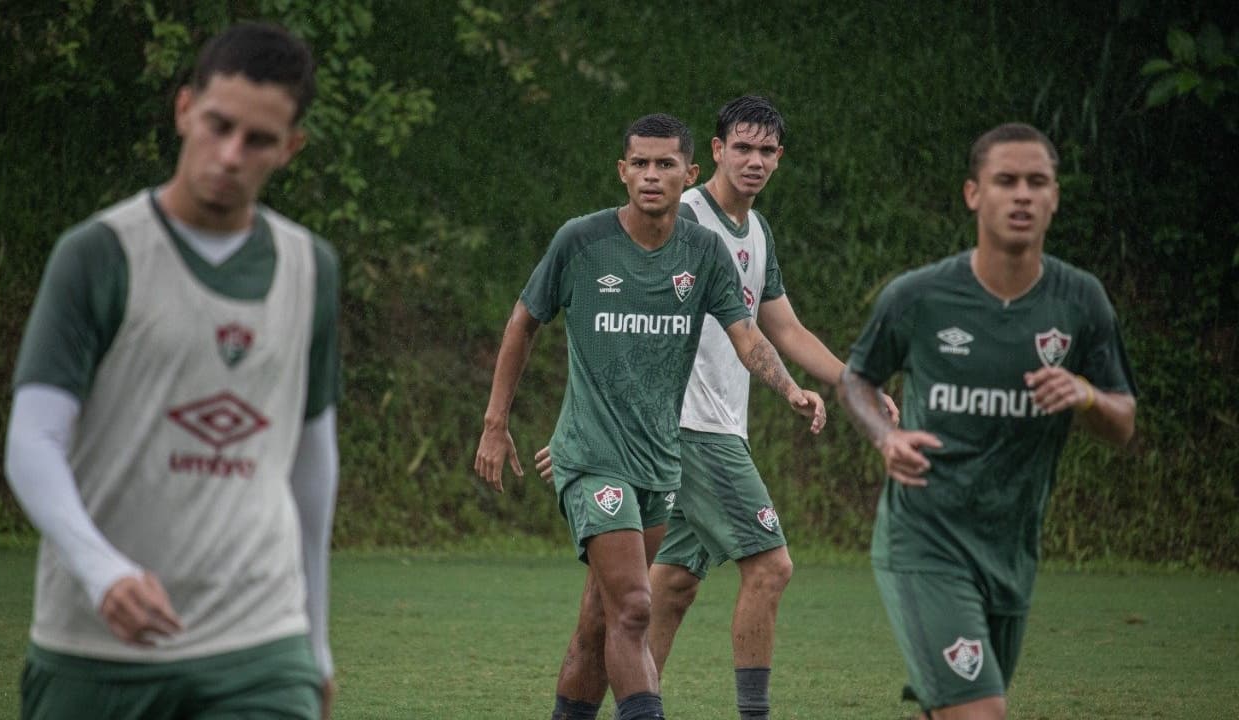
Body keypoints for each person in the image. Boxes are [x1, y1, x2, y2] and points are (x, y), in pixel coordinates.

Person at [4, 22, 339, 720]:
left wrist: (317, 640)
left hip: (258, 644)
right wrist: (102, 572)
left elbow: (312, 462)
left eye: (258, 140)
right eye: (217, 125)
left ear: (291, 147)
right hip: (95, 648)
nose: (229, 155)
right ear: (184, 108)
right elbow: (32, 442)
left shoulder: (312, 269)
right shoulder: (97, 255)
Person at [536, 95, 898, 720]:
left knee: (661, 592)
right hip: (689, 434)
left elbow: (783, 328)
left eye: (766, 151)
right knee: (771, 566)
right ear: (714, 153)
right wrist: (585, 435)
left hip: (699, 433)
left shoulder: (755, 233)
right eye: (742, 147)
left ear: (779, 159)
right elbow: (602, 322)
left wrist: (852, 382)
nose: (753, 161)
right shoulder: (678, 213)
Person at [474, 113, 824, 720]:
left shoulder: (705, 251)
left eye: (666, 165)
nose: (652, 175)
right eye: (640, 163)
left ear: (687, 172)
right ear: (622, 171)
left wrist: (790, 389)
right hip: (591, 457)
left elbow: (748, 336)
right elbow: (523, 322)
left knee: (598, 621)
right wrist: (495, 423)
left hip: (659, 464)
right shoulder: (581, 242)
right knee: (637, 606)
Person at [837, 122, 1137, 720]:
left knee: (950, 708)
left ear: (1054, 197)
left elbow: (1123, 420)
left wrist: (1084, 395)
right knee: (979, 711)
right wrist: (886, 435)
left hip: (1011, 545)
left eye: (1037, 182)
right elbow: (856, 378)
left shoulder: (1080, 302)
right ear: (975, 194)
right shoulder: (920, 297)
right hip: (925, 536)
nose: (1022, 195)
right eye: (1006, 181)